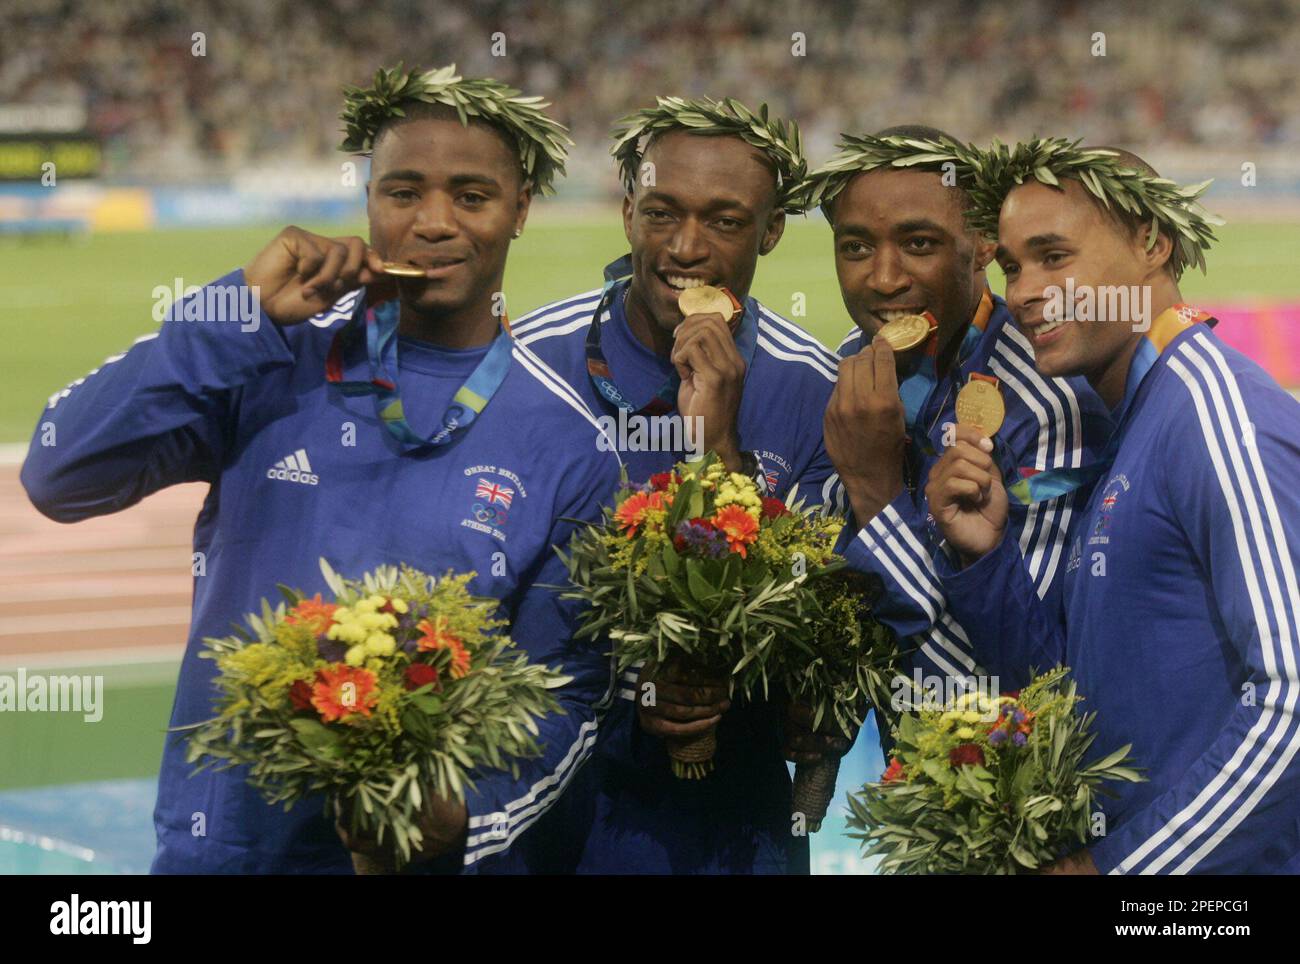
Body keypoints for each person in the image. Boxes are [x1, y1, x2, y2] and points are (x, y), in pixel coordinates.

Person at [21, 64, 621, 874]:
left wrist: (464, 819)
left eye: (472, 197)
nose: (434, 222)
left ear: (520, 210)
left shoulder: (568, 443)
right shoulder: (265, 359)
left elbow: (566, 696)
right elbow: (59, 475)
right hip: (220, 852)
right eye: (403, 192)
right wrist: (234, 311)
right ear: (369, 199)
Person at [928, 138, 1300, 873]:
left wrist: (1120, 871)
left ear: (1152, 243)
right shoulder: (1131, 420)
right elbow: (1080, 689)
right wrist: (987, 556)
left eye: (1054, 256)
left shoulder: (1214, 413)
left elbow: (1292, 702)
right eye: (1012, 265)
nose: (1026, 290)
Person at [510, 96, 839, 873]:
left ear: (772, 231)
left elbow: (827, 639)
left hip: (736, 830)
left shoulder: (813, 388)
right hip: (552, 820)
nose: (685, 247)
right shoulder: (528, 364)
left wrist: (719, 449)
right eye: (662, 212)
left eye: (725, 221)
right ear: (627, 213)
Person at [800, 127, 1110, 707]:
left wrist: (876, 492)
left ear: (986, 242)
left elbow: (1026, 685)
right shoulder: (857, 360)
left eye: (919, 244)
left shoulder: (1050, 406)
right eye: (856, 247)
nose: (884, 279)